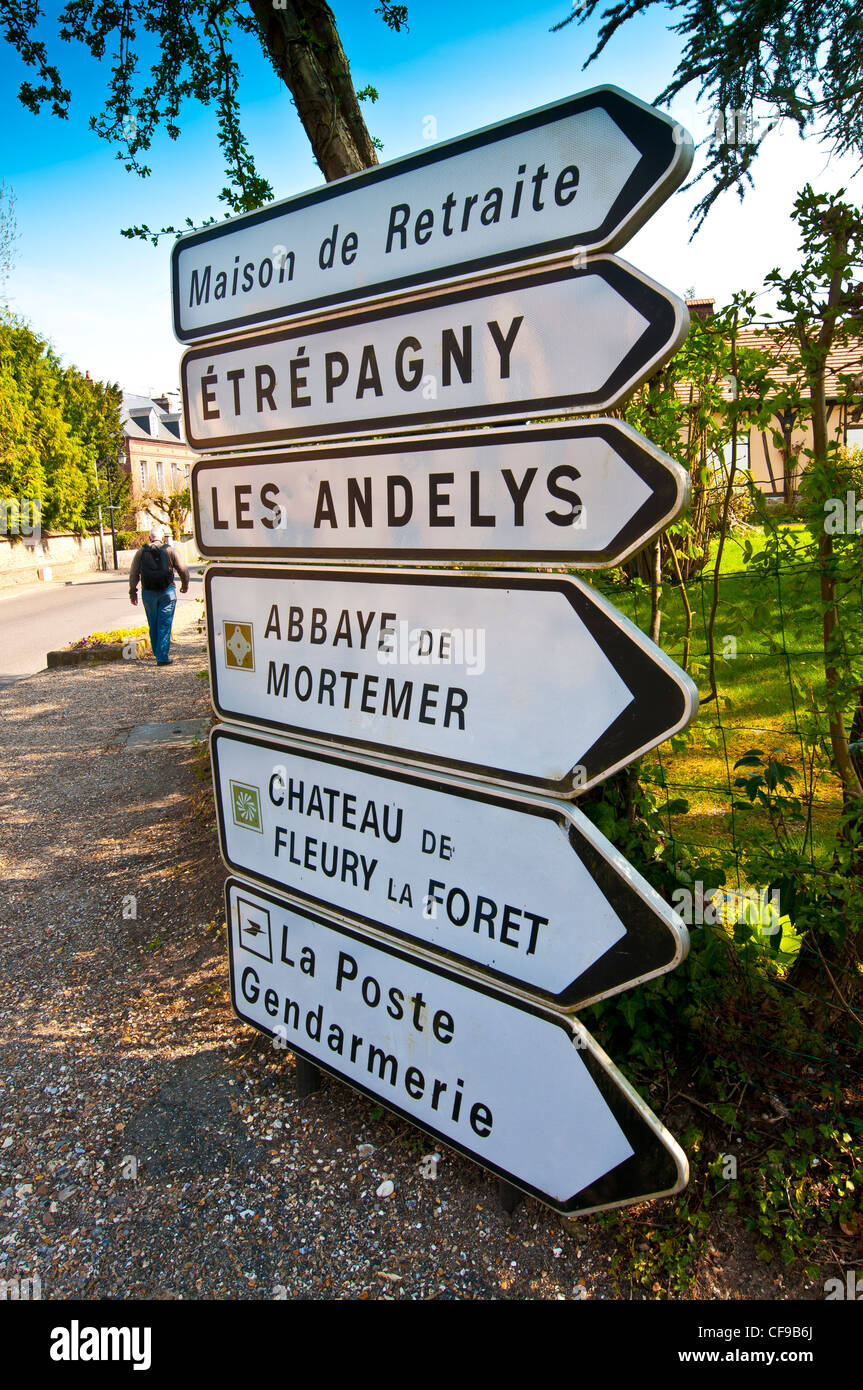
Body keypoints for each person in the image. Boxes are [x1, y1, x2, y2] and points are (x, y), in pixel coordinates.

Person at [129, 527, 190, 666]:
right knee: (165, 624)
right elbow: (182, 569)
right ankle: (162, 657)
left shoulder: (141, 552)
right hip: (167, 592)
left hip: (148, 593)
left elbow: (134, 574)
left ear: (149, 538)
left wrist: (133, 592)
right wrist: (185, 585)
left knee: (153, 623)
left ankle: (158, 653)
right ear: (162, 539)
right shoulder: (169, 550)